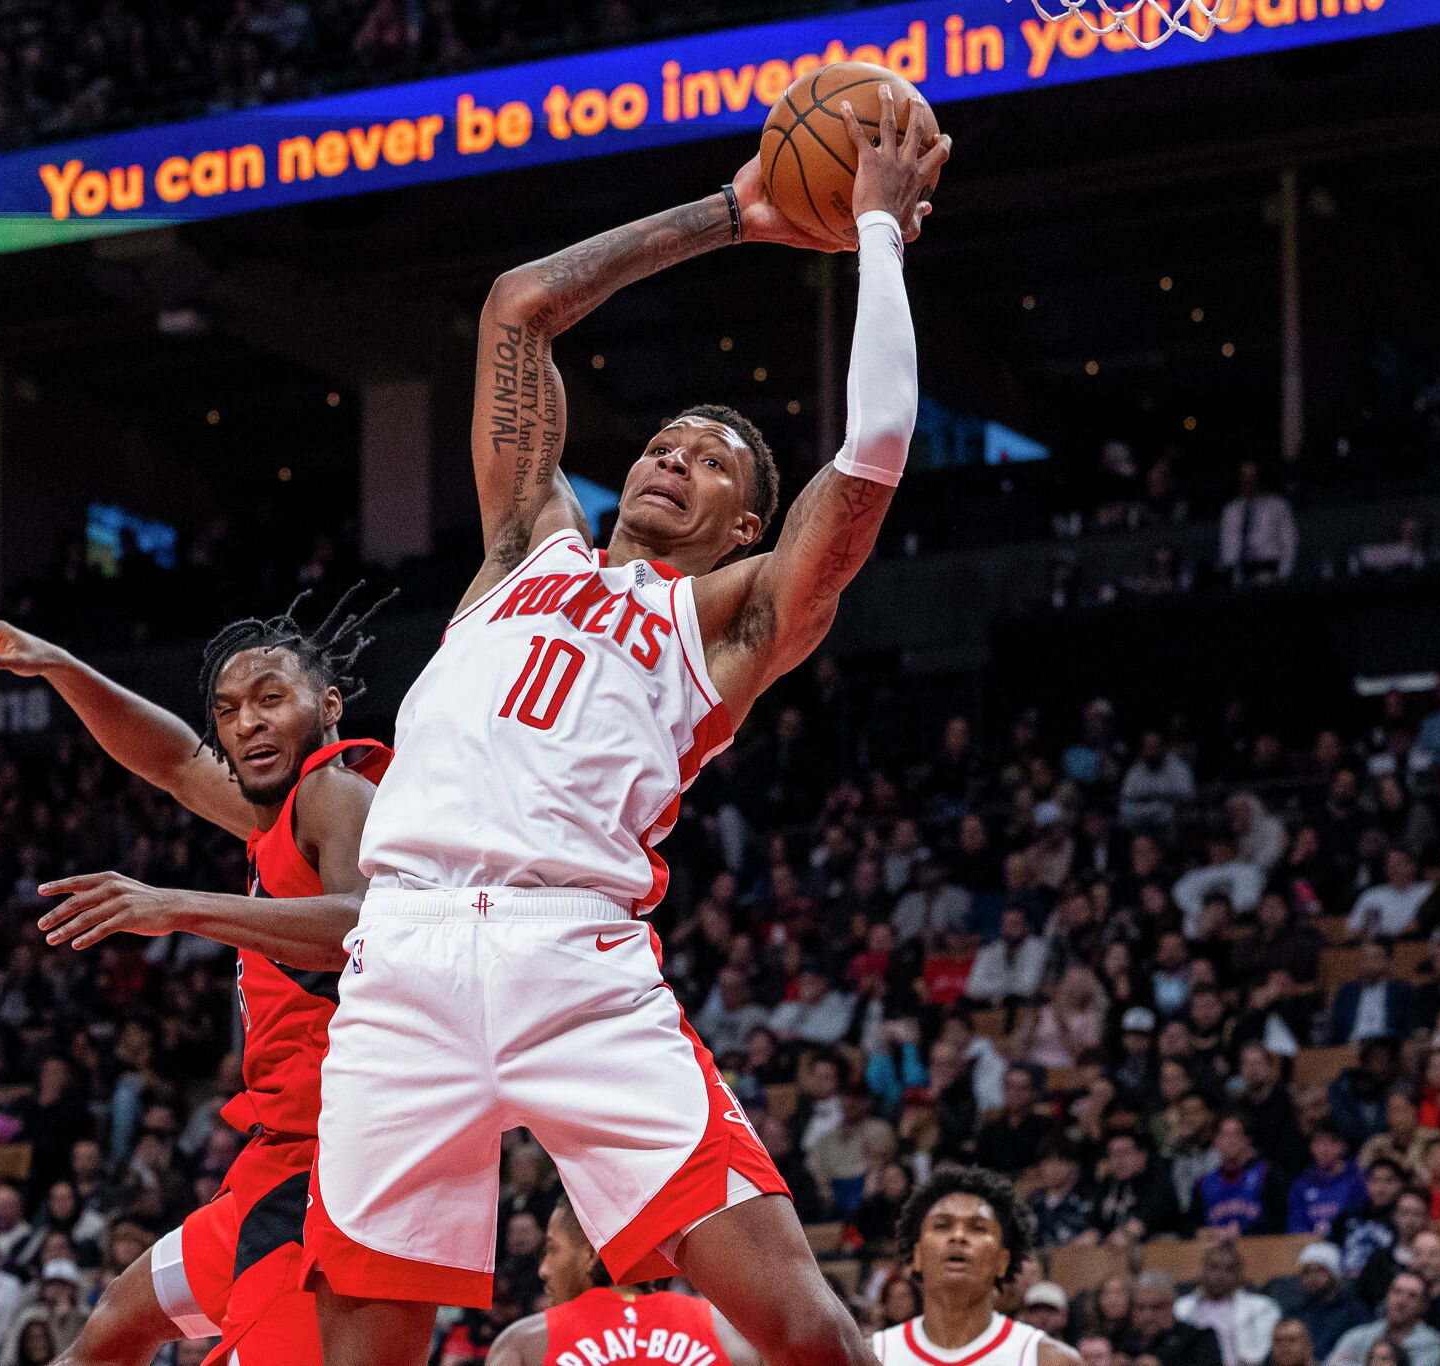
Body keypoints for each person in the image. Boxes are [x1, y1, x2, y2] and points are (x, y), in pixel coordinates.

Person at [302, 87, 950, 1366]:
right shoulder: (518, 551)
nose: (669, 457)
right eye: (661, 441)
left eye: (708, 459)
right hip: (401, 953)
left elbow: (873, 442)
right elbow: (517, 306)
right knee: (362, 1348)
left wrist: (873, 231)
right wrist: (734, 213)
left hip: (572, 958)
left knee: (803, 1329)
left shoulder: (731, 618)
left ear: (745, 525)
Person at [0, 593, 394, 1366]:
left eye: (271, 698)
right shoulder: (274, 817)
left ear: (330, 704)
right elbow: (175, 760)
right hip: (271, 1165)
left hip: (322, 1175)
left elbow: (359, 927)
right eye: (230, 709)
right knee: (111, 1331)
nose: (246, 723)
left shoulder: (335, 790)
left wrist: (174, 904)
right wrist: (63, 667)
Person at [484, 1200, 761, 1366]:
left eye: (553, 1249)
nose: (543, 1269)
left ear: (592, 1254)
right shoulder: (728, 1332)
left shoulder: (523, 1344)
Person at [868, 1167, 1078, 1366]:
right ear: (918, 1255)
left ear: (1002, 1261)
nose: (958, 1237)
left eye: (978, 1228)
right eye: (942, 1226)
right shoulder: (870, 1357)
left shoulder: (1050, 1359)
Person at [1173, 1241, 1280, 1366]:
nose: (1220, 1275)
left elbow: (1262, 1352)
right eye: (1214, 1267)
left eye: (1229, 1269)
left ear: (1239, 1274)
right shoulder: (1179, 1307)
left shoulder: (1262, 1307)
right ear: (1202, 1270)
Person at [1324, 1273, 1440, 1366]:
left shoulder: (1432, 1344)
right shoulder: (1361, 1334)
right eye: (1397, 1292)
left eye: (1412, 1296)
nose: (1401, 1301)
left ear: (1423, 1306)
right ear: (1387, 1296)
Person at [1281, 1245, 1370, 1362]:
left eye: (1320, 1270)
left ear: (1334, 1275)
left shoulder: (1353, 1312)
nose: (1312, 1277)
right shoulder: (1294, 1313)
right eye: (1306, 1272)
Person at [1218, 460, 1297, 584]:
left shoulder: (1278, 505)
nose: (1248, 481)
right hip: (1240, 580)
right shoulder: (1230, 510)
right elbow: (1227, 549)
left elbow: (1290, 545)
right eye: (1244, 477)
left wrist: (1282, 577)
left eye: (1251, 476)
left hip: (1271, 576)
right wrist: (1231, 579)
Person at [1119, 1270, 1220, 1366]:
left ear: (1171, 1305)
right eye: (1140, 1308)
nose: (1148, 1315)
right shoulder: (1119, 1337)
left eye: (1157, 1307)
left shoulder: (1198, 1339)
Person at [1329, 942, 1418, 1045]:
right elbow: (1336, 1031)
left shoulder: (1401, 991)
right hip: (1352, 1047)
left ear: (1387, 961)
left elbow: (1409, 1027)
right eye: (1365, 958)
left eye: (1375, 958)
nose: (1369, 964)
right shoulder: (1346, 993)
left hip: (1387, 1046)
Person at [1288, 1128, 1365, 1239]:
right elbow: (1296, 1227)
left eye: (1332, 1142)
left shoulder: (1357, 1181)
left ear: (1344, 1146)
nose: (1324, 1150)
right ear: (1311, 1147)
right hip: (1310, 1250)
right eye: (1318, 1143)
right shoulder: (1301, 1186)